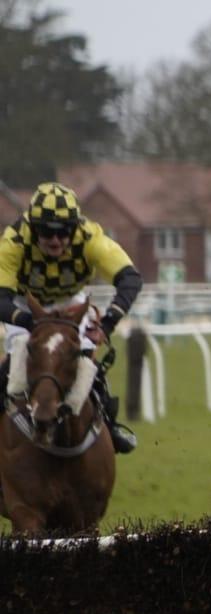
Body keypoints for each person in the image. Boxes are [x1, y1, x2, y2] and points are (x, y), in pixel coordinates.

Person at [0, 182, 142, 453]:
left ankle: (109, 426)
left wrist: (107, 325)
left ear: (75, 228)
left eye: (64, 232)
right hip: (26, 303)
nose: (56, 240)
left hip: (70, 300)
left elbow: (130, 279)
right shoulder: (14, 241)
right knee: (13, 369)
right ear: (33, 227)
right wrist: (30, 322)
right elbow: (1, 298)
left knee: (89, 364)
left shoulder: (91, 238)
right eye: (47, 232)